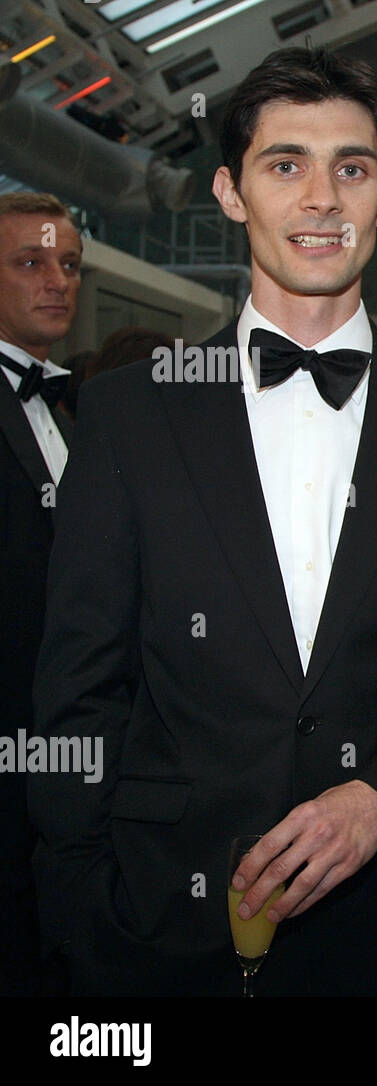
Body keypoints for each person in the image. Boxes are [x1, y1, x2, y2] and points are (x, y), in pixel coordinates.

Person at [28, 47, 377, 996]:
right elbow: (79, 685)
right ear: (230, 190)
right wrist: (81, 915)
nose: (322, 198)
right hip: (157, 922)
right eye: (285, 164)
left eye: (352, 168)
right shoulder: (131, 412)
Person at [0, 192, 79, 995]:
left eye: (68, 265)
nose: (57, 281)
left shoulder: (78, 406)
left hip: (65, 757)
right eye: (31, 262)